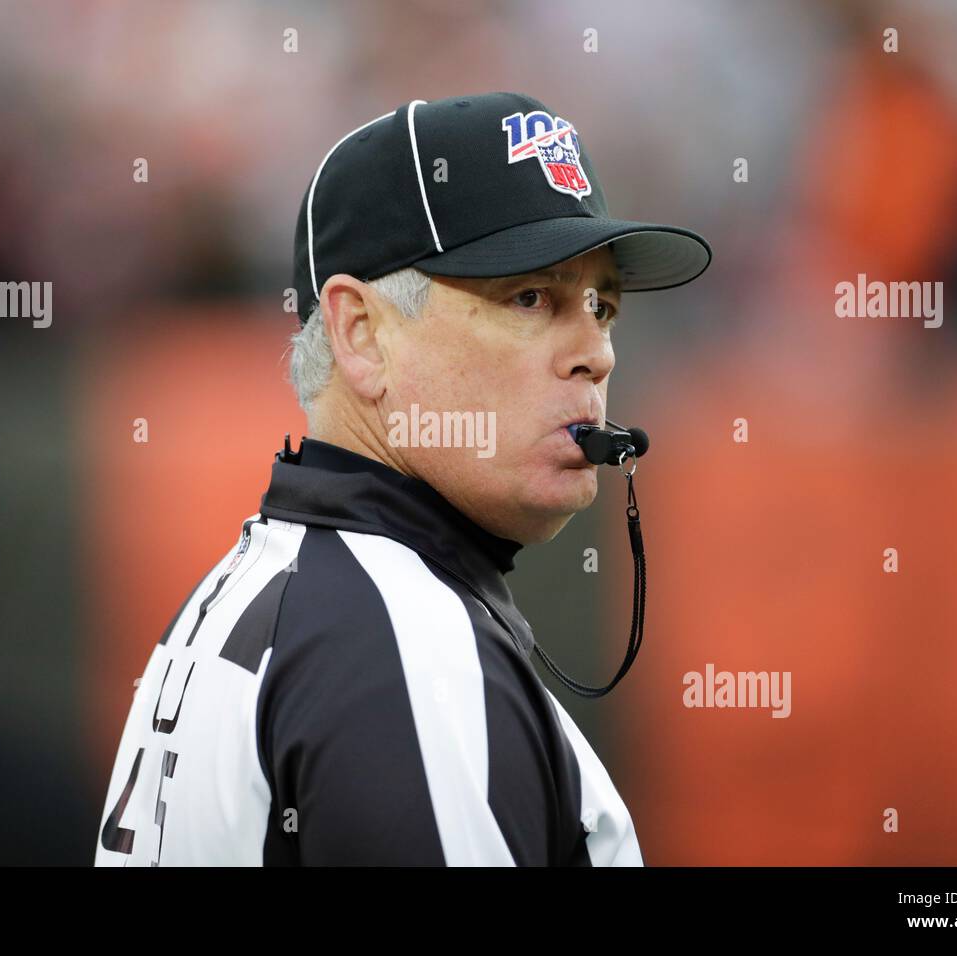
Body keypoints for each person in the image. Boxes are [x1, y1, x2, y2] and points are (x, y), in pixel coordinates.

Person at [95, 91, 710, 866]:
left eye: (603, 307)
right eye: (531, 298)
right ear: (361, 335)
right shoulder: (409, 652)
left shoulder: (254, 594)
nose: (598, 352)